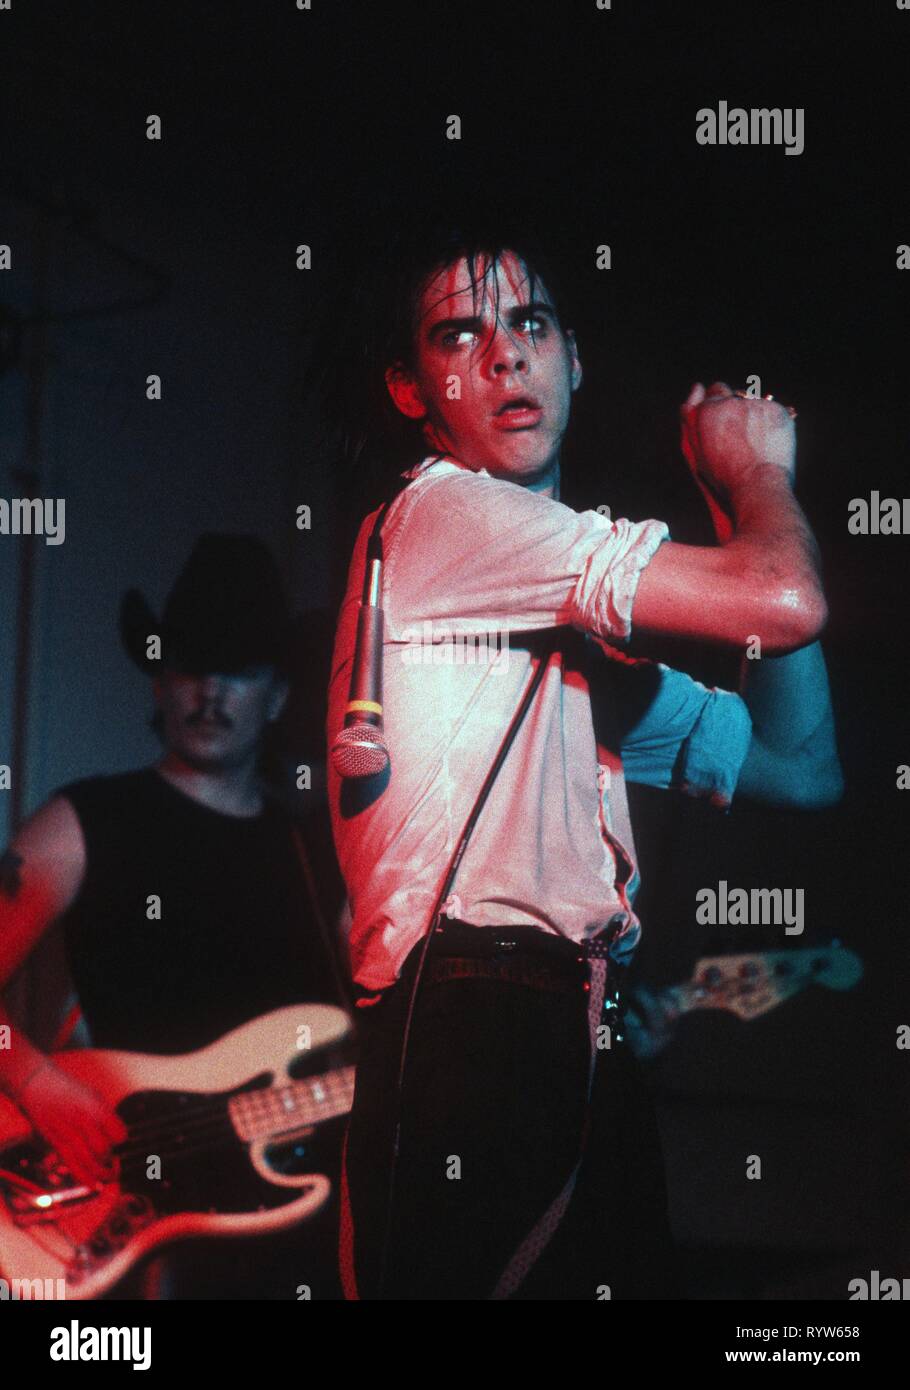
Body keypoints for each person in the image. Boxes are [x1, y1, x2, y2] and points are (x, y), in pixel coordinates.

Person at [326, 224, 844, 1300]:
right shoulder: (449, 516)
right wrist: (754, 475)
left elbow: (801, 767)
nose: (505, 355)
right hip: (472, 1027)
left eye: (531, 324)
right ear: (410, 390)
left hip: (574, 1033)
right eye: (457, 336)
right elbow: (785, 598)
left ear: (573, 357)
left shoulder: (559, 633)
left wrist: (728, 512)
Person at [0, 534, 350, 1298]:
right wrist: (36, 1083)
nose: (211, 692)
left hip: (292, 1227)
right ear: (158, 682)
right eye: (190, 664)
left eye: (240, 670)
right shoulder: (84, 821)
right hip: (118, 1210)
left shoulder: (318, 849)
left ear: (281, 695)